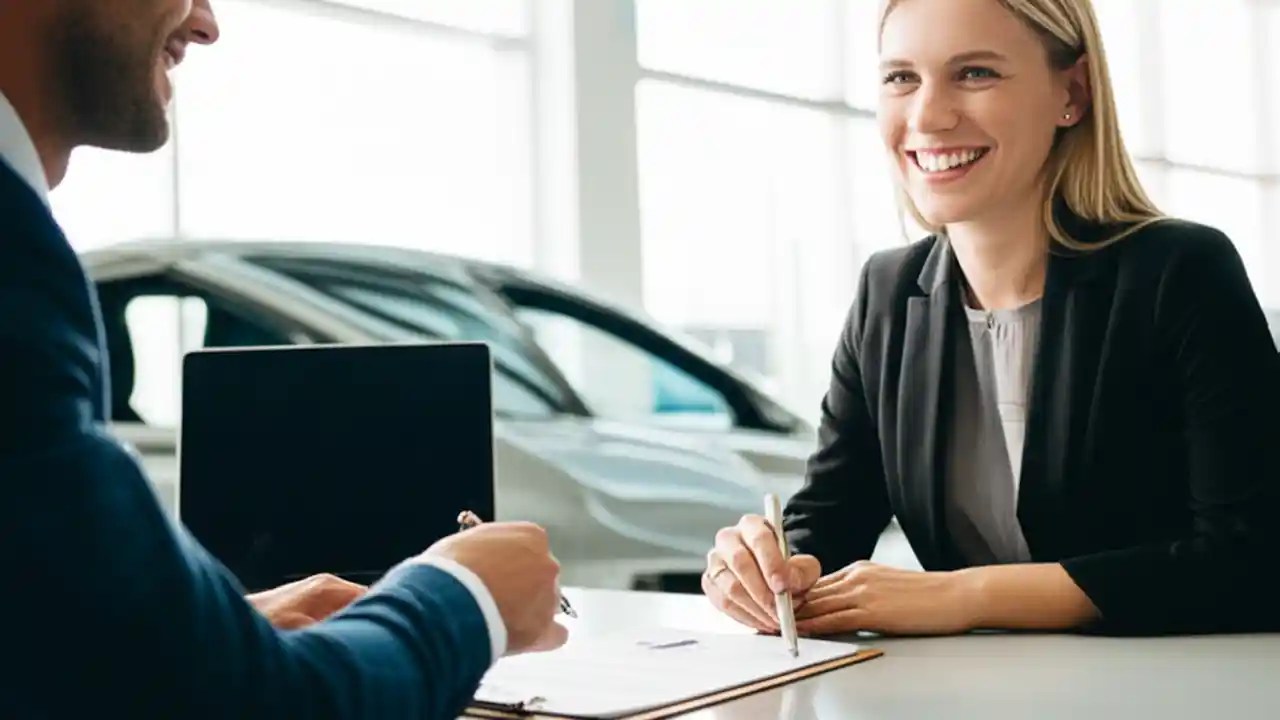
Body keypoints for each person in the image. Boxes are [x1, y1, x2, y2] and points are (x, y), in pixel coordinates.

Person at [0, 1, 567, 717]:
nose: (206, 23)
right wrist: (465, 596)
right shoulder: (13, 262)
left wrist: (215, 633)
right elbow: (267, 708)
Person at [703, 0, 1280, 638]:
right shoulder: (888, 294)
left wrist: (968, 595)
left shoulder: (1181, 272)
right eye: (901, 77)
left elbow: (1252, 558)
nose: (928, 114)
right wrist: (769, 568)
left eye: (975, 73)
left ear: (1074, 92)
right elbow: (830, 522)